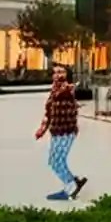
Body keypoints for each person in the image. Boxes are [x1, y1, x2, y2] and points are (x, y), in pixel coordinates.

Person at [34, 64, 88, 201]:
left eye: (61, 72)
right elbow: (48, 112)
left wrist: (68, 89)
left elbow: (68, 92)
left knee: (57, 161)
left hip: (66, 131)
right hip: (56, 130)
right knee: (54, 161)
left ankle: (71, 186)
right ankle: (72, 182)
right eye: (55, 72)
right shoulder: (54, 91)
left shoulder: (66, 89)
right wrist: (42, 129)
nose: (58, 75)